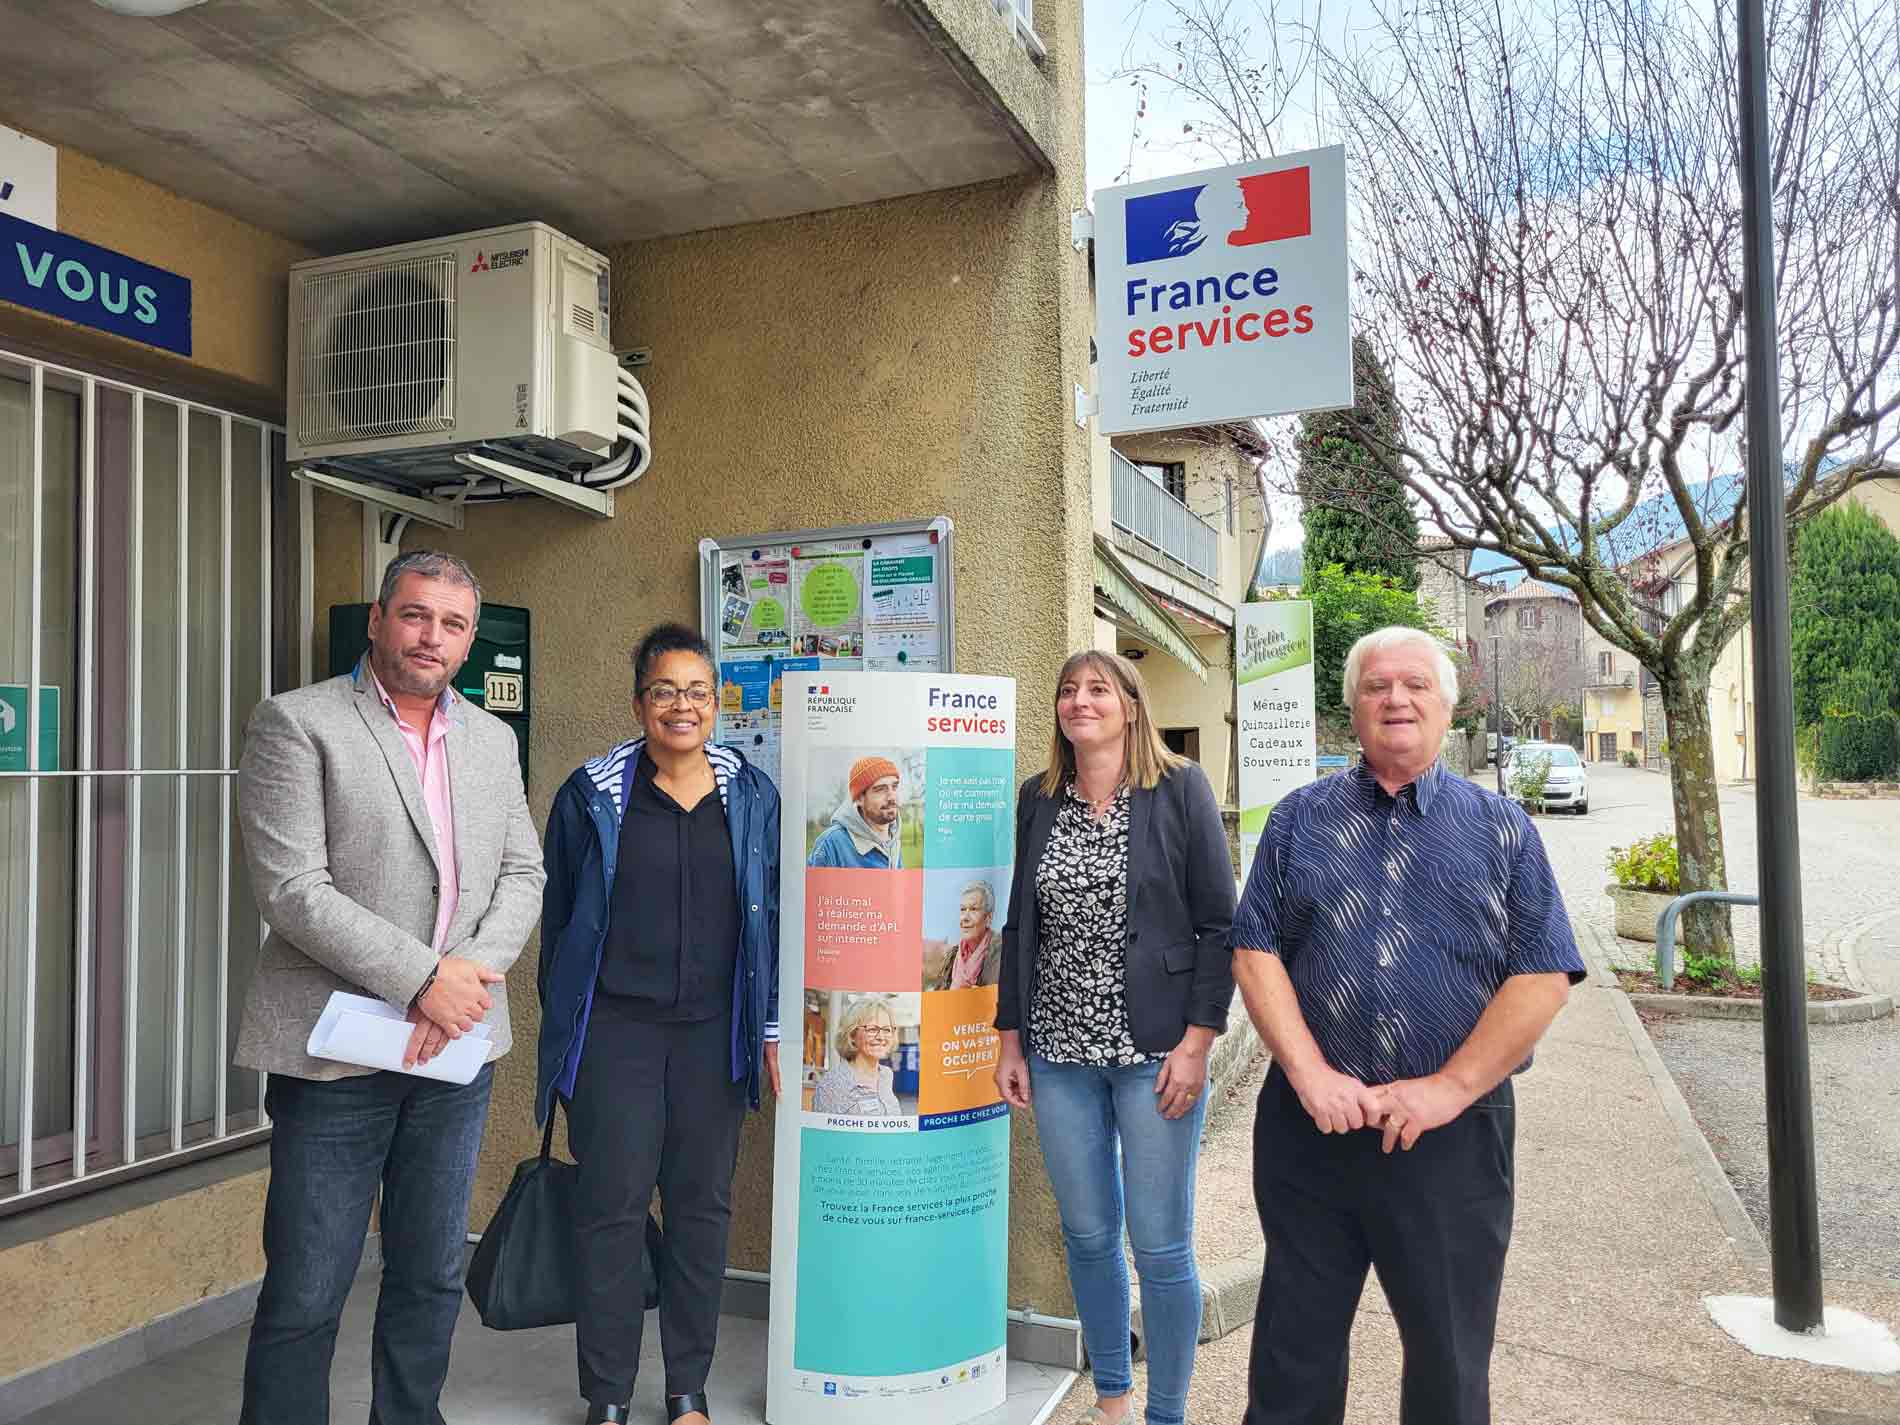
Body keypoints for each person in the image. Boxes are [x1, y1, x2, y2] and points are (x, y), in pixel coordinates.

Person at [1230, 626, 1586, 1425]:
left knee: (1450, 1358)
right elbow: (1254, 953)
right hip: (1309, 1134)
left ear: (1446, 707)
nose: (1396, 698)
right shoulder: (1297, 822)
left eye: (1416, 685)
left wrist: (1447, 1089)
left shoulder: (1502, 830)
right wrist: (1311, 1076)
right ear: (1352, 707)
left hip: (1451, 1141)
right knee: (1294, 1348)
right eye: (1376, 685)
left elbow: (1544, 975)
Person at [233, 550, 545, 1425]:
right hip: (336, 1050)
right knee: (308, 1282)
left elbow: (524, 871)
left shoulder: (492, 738)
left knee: (432, 1268)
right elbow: (292, 888)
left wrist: (467, 979)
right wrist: (421, 978)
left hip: (456, 1052)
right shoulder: (298, 723)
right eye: (414, 615)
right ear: (377, 618)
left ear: (470, 639)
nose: (430, 636)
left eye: (451, 624)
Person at [537, 623, 781, 1425]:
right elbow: (562, 923)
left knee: (702, 1208)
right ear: (640, 702)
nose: (683, 705)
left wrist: (768, 1029)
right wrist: (568, 1039)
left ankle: (686, 1389)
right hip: (617, 1034)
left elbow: (770, 920)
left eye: (697, 691)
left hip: (715, 1035)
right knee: (609, 1207)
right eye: (665, 690)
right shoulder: (591, 794)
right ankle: (607, 1394)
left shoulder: (752, 794)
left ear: (718, 703)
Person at [993, 650, 1236, 1425]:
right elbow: (1017, 925)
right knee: (1089, 1234)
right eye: (1067, 689)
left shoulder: (1179, 789)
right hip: (1059, 1053)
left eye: (1098, 688)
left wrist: (1199, 1041)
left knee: (1161, 1247)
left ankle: (1167, 1412)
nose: (1080, 700)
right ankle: (1112, 1400)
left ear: (1130, 704)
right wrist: (1010, 1040)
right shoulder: (1038, 799)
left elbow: (1218, 923)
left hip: (1156, 1052)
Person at [810, 998, 903, 1117]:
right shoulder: (832, 1085)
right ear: (852, 1034)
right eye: (872, 1029)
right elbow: (821, 1134)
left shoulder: (886, 1075)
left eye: (886, 1029)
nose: (881, 1036)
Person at [807, 755, 903, 868]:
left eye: (894, 787)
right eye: (880, 789)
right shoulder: (831, 844)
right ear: (859, 799)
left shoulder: (894, 841)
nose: (892, 797)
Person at [926, 880, 1001, 990]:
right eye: (962, 909)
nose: (965, 918)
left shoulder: (1001, 952)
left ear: (988, 917)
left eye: (973, 909)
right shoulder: (953, 955)